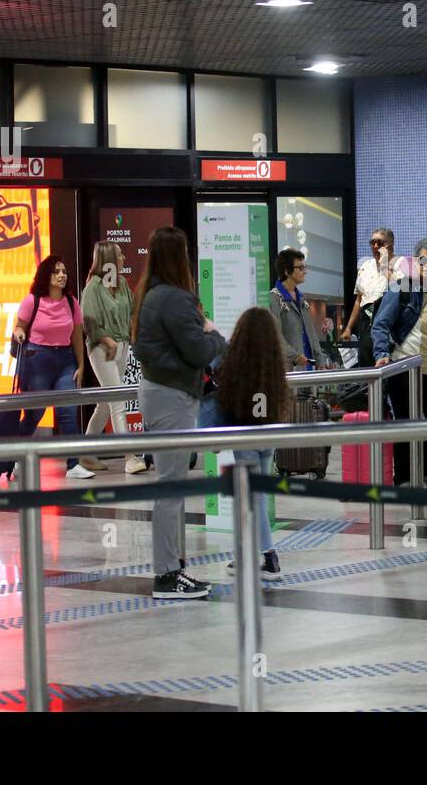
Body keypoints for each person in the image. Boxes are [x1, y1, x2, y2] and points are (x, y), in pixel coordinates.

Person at [132, 226, 227, 599]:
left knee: (170, 486)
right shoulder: (176, 299)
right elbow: (201, 350)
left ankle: (173, 568)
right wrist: (215, 333)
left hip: (158, 393)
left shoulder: (150, 295)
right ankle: (167, 576)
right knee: (171, 488)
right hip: (173, 398)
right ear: (179, 256)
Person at [197, 306, 291, 580]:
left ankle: (268, 558)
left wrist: (207, 326)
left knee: (252, 499)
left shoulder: (234, 360)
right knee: (256, 497)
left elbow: (213, 363)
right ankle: (252, 556)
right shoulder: (272, 365)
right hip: (267, 437)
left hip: (245, 437)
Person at [372, 237, 427, 487]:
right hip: (403, 367)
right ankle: (404, 477)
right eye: (422, 260)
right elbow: (380, 325)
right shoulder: (401, 287)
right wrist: (381, 354)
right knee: (406, 423)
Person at [11, 255, 92, 480]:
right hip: (38, 360)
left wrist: (81, 364)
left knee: (67, 412)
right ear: (47, 275)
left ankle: (73, 464)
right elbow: (19, 326)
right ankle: (16, 457)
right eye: (57, 271)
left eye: (64, 271)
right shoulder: (32, 301)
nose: (62, 275)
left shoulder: (71, 302)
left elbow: (77, 336)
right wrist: (19, 333)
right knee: (34, 413)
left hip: (65, 360)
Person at [79, 241, 144, 475]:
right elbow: (89, 322)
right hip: (102, 349)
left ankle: (85, 453)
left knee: (105, 404)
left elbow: (133, 310)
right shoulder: (93, 287)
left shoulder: (123, 284)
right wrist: (107, 340)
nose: (123, 258)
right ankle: (130, 457)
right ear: (107, 258)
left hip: (123, 346)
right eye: (118, 254)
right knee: (117, 400)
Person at [340, 227, 396, 366]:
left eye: (380, 243)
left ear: (390, 245)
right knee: (366, 369)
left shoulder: (400, 264)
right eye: (372, 242)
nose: (375, 246)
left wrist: (384, 264)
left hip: (388, 325)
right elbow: (359, 300)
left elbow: (398, 287)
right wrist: (348, 328)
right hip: (366, 324)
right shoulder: (365, 266)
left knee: (387, 371)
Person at [269, 247, 327, 373]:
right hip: (287, 370)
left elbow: (311, 333)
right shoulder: (274, 298)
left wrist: (320, 360)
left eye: (304, 267)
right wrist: (295, 356)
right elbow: (275, 336)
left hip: (307, 368)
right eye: (300, 268)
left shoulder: (301, 298)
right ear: (287, 272)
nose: (304, 271)